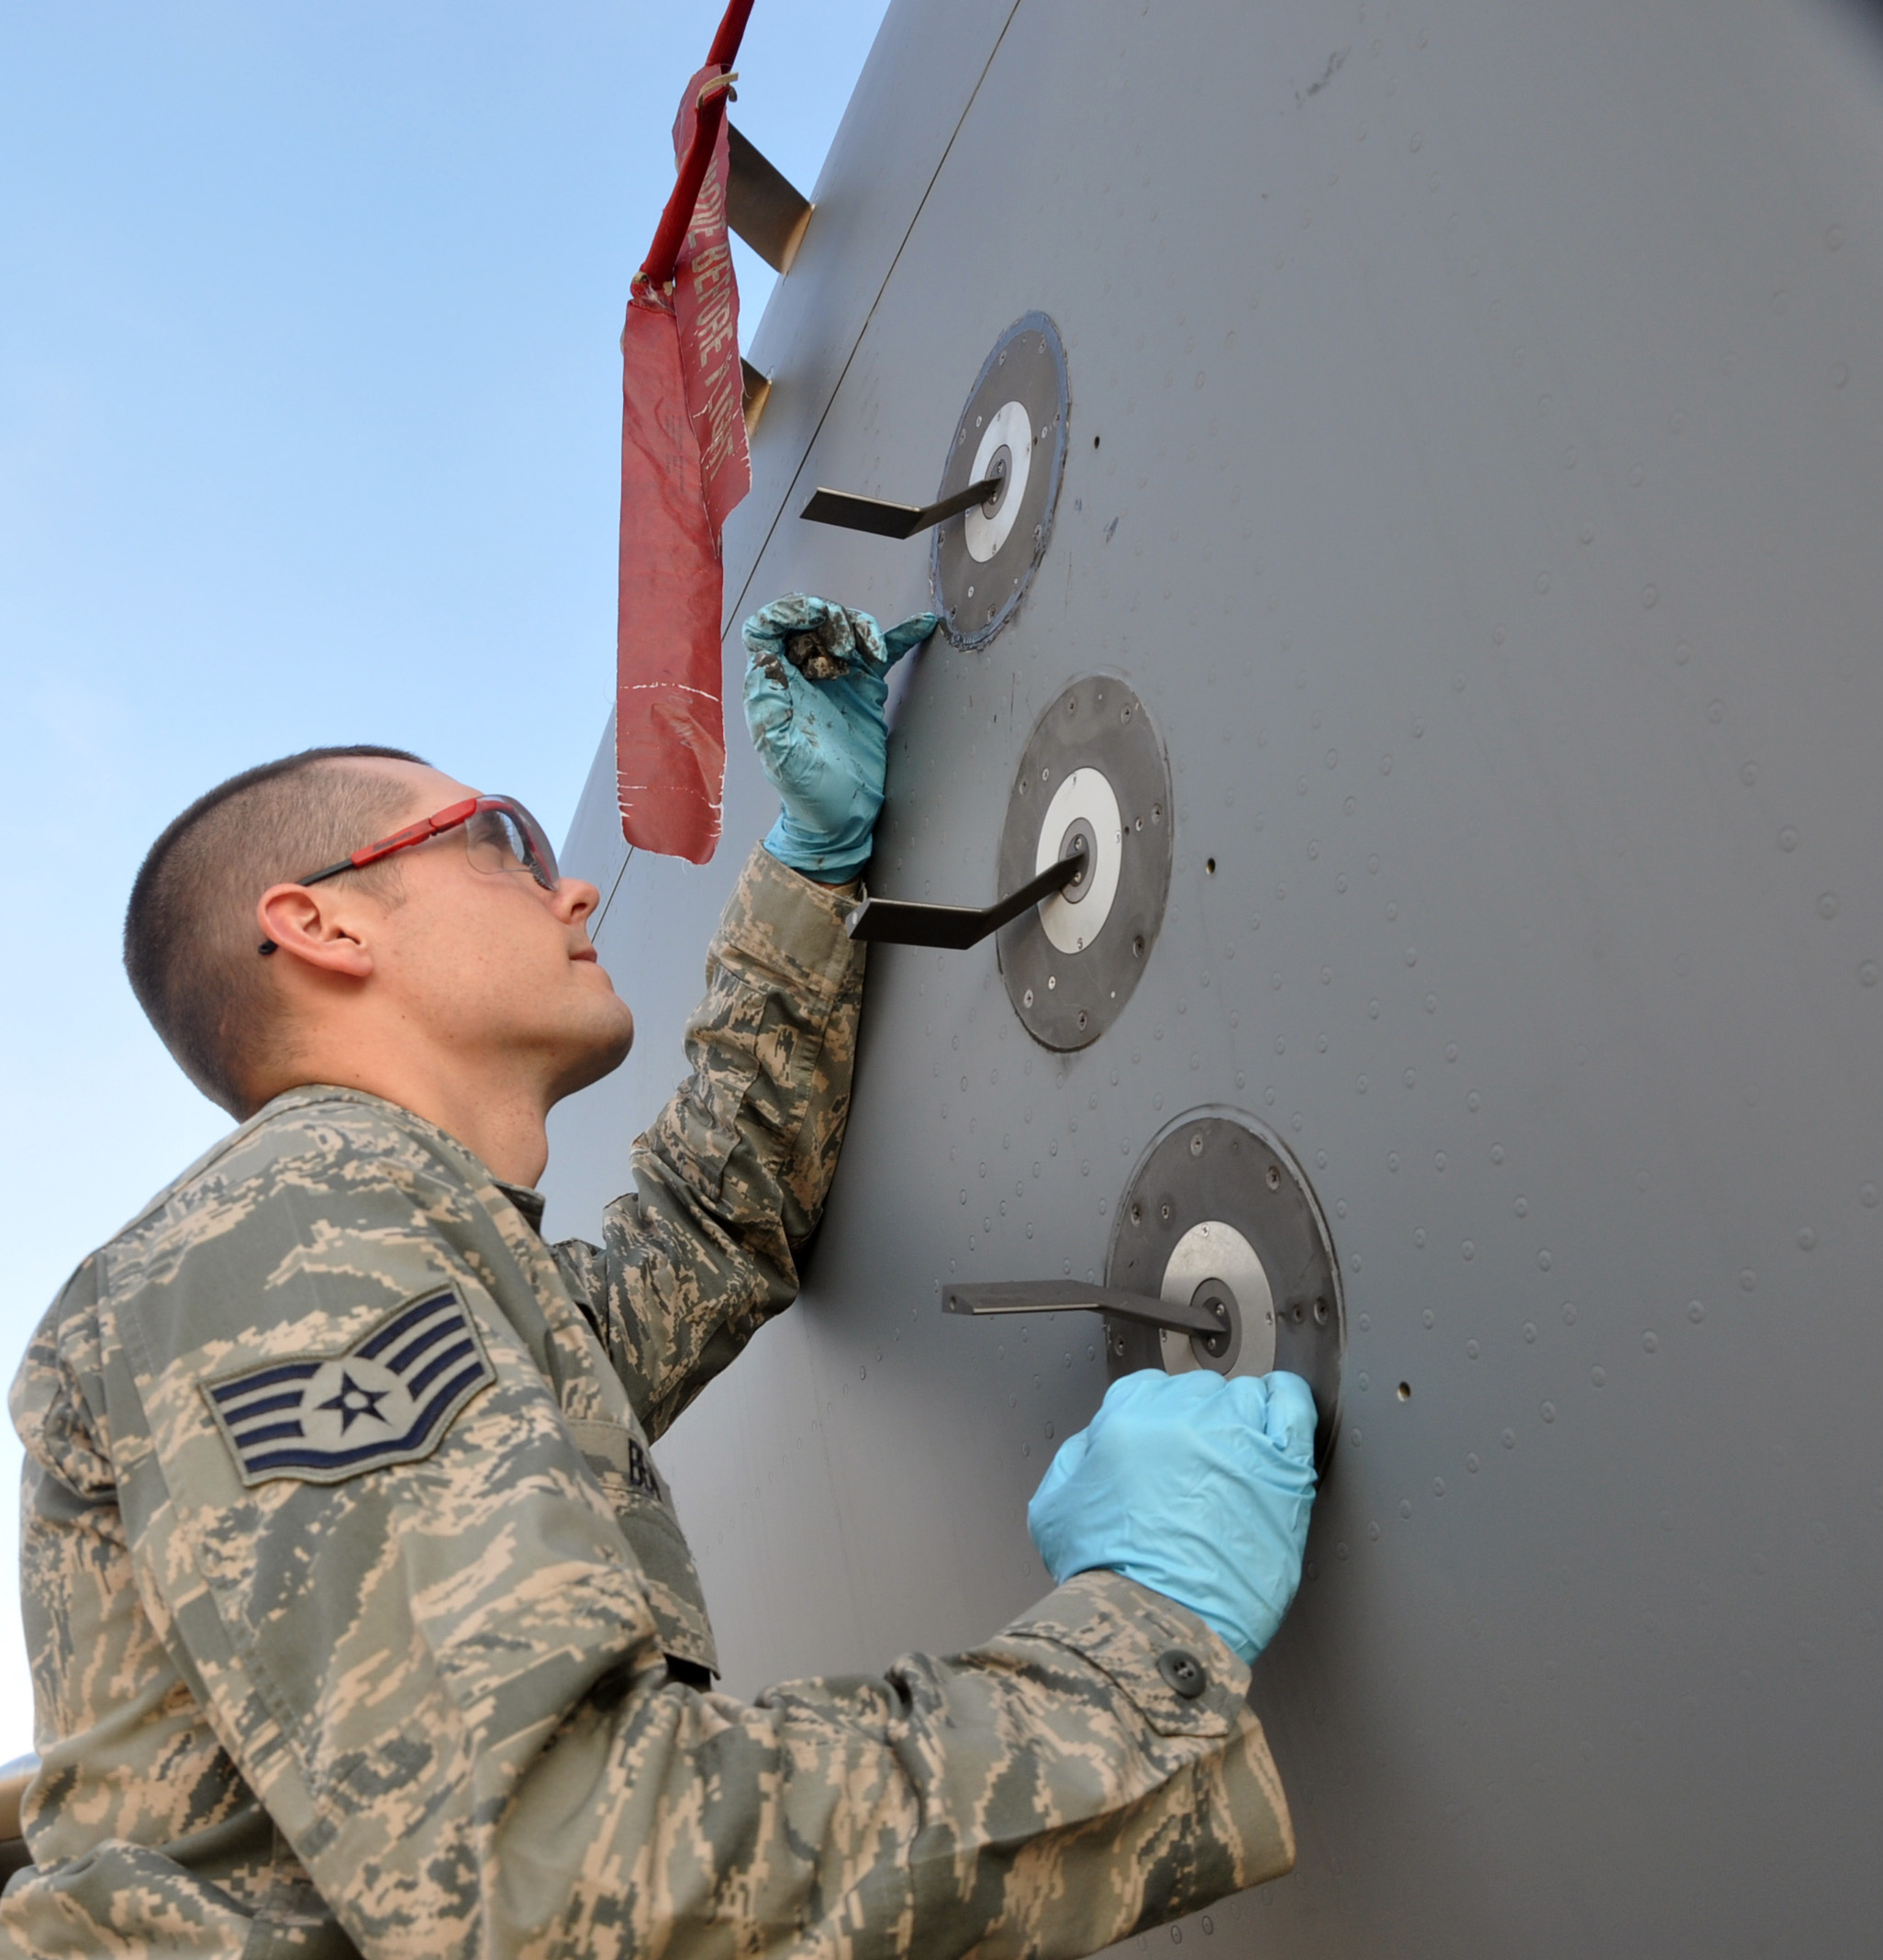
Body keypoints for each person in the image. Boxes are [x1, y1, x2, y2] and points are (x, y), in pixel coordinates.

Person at [2, 596, 1319, 1959]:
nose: (566, 883)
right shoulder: (283, 1231)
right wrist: (1139, 1646)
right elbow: (569, 1879)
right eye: (499, 839)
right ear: (325, 926)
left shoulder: (395, 1241)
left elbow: (706, 1234)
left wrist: (813, 866)